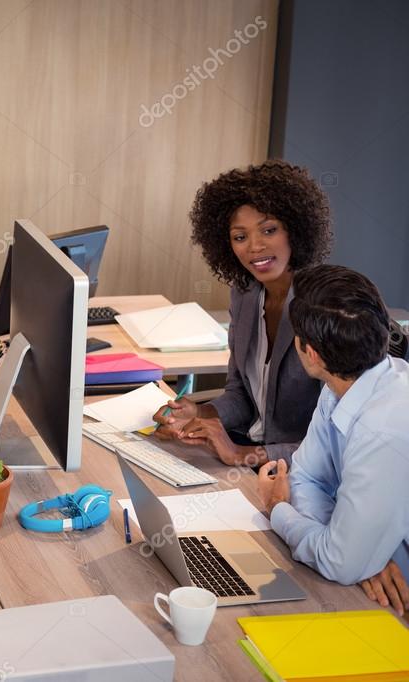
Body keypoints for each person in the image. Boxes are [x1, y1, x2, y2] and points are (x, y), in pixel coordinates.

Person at [153, 160, 332, 467]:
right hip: (245, 452)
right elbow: (242, 395)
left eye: (269, 230)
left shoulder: (324, 306)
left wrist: (247, 455)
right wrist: (200, 413)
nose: (255, 247)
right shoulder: (246, 293)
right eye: (240, 236)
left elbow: (335, 441)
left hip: (299, 472)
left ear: (295, 230)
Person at [257, 265, 409, 614]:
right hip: (377, 588)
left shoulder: (384, 430)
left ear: (310, 354)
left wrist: (278, 510)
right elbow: (306, 477)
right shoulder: (341, 386)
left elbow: (338, 563)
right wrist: (361, 551)